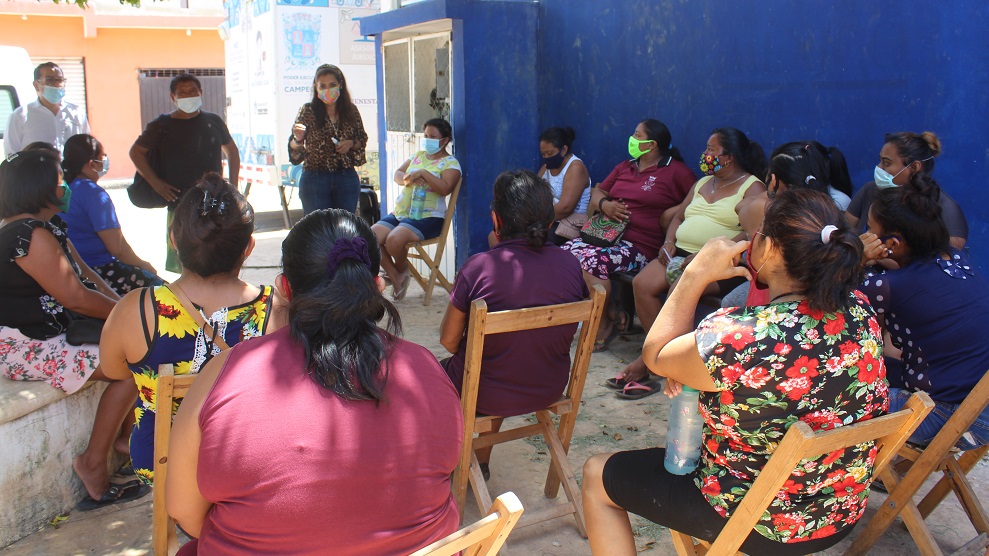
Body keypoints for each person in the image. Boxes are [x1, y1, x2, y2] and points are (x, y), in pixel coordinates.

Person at [583, 189, 889, 554]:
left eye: (757, 232)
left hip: (758, 519)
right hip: (838, 511)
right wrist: (690, 365)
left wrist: (694, 273)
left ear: (769, 248)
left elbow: (655, 355)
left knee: (596, 475)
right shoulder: (859, 310)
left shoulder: (741, 335)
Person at [167, 209, 463, 555]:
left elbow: (185, 513)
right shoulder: (426, 370)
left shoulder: (224, 374)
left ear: (284, 288)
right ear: (377, 286)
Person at [100, 173, 273, 486]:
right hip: (247, 462)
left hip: (163, 464)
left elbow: (114, 370)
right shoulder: (276, 309)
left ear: (174, 240)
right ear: (248, 247)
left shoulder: (135, 309)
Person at [0, 149, 144, 510]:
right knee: (132, 364)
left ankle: (127, 439)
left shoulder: (46, 229)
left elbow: (87, 277)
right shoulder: (28, 236)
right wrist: (127, 317)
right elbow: (76, 298)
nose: (64, 186)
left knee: (136, 343)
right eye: (59, 180)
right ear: (39, 187)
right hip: (25, 346)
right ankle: (94, 461)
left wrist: (124, 309)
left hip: (49, 336)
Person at [440, 169, 587, 478]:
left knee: (434, 373)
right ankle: (479, 462)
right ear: (550, 223)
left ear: (496, 220)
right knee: (502, 361)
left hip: (487, 391)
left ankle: (450, 463)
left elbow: (449, 342)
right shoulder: (571, 264)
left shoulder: (478, 268)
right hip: (549, 386)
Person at [614, 128, 765, 399]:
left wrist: (709, 253)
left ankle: (656, 363)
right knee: (642, 284)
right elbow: (678, 217)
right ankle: (659, 353)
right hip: (679, 253)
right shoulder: (702, 182)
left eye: (711, 149)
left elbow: (750, 231)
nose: (705, 154)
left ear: (729, 157)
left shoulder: (752, 187)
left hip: (719, 261)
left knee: (679, 292)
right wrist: (669, 241)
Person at [860, 178, 988, 450]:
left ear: (893, 243)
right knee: (884, 367)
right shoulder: (954, 258)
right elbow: (913, 276)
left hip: (947, 418)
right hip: (979, 408)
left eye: (870, 229)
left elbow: (834, 297)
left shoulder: (890, 287)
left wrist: (857, 259)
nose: (865, 234)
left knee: (839, 394)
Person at [562, 119, 695, 352]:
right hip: (607, 237)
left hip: (641, 244)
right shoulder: (626, 166)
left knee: (592, 262)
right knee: (564, 254)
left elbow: (696, 200)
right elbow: (598, 190)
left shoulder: (676, 172)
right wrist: (605, 205)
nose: (632, 139)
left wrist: (669, 214)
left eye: (637, 135)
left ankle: (603, 324)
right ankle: (610, 311)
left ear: (652, 144)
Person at [129, 73, 240, 273]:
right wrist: (156, 183)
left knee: (215, 256)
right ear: (173, 97)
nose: (189, 96)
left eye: (192, 91)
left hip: (213, 200)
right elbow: (136, 152)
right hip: (180, 204)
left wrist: (232, 188)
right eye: (183, 93)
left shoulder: (213, 121)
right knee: (185, 259)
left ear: (201, 92)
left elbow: (232, 151)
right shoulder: (161, 125)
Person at [727, 141, 852, 308]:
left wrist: (771, 192)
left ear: (773, 180)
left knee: (728, 302)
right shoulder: (828, 211)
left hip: (771, 294)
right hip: (819, 292)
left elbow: (740, 208)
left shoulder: (766, 208)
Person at [61, 134, 164, 295]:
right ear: (91, 163)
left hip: (72, 268)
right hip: (99, 270)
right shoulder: (93, 193)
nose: (105, 161)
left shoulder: (62, 189)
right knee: (166, 295)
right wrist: (144, 265)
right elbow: (118, 248)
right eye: (102, 157)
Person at [371, 118, 460, 300]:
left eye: (432, 137)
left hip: (429, 217)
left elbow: (445, 188)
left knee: (394, 240)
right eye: (426, 135)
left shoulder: (450, 163)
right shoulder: (418, 156)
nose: (427, 140)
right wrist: (409, 178)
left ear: (445, 140)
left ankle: (402, 268)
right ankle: (397, 275)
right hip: (402, 213)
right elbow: (398, 174)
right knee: (369, 238)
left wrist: (424, 174)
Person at [846, 131, 967, 250]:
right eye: (880, 161)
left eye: (886, 163)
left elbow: (945, 258)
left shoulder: (947, 210)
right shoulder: (870, 191)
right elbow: (845, 237)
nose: (879, 167)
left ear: (914, 167)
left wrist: (876, 257)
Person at [288, 64, 368, 214]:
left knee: (344, 224)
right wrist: (298, 139)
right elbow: (294, 148)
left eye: (332, 85)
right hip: (315, 178)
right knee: (319, 225)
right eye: (322, 86)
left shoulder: (351, 110)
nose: (328, 90)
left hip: (345, 177)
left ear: (340, 85)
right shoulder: (308, 110)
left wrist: (350, 143)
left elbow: (361, 139)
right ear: (316, 87)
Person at [3, 62, 89, 154]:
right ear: (36, 85)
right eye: (50, 80)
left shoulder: (77, 113)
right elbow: (11, 154)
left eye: (59, 80)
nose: (56, 84)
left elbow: (87, 147)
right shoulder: (21, 115)